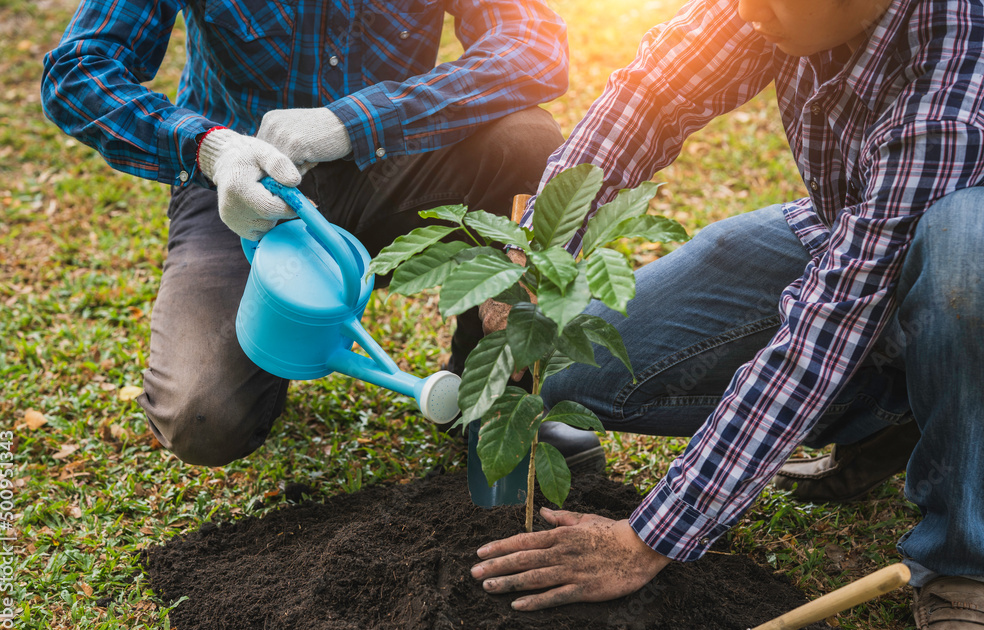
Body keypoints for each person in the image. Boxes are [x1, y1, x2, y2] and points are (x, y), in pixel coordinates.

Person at [471, 0, 984, 630]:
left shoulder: (954, 76)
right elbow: (650, 96)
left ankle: (963, 557)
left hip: (949, 267)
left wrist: (649, 537)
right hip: (850, 233)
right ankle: (900, 409)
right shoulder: (774, 7)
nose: (745, 8)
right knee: (574, 364)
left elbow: (831, 323)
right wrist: (538, 247)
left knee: (962, 259)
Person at [41, 0, 604, 470]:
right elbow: (78, 70)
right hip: (243, 190)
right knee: (201, 419)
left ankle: (490, 394)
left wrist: (353, 122)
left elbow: (534, 48)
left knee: (525, 138)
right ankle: (273, 338)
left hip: (392, 166)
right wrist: (210, 147)